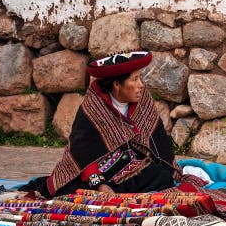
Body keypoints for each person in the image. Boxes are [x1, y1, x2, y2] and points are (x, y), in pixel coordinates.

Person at [25, 51, 204, 197]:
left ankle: (120, 192)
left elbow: (157, 142)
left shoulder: (143, 100)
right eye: (134, 80)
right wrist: (99, 185)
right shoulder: (93, 109)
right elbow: (82, 157)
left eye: (140, 78)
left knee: (161, 176)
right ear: (117, 84)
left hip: (134, 165)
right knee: (72, 188)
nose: (141, 85)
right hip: (103, 170)